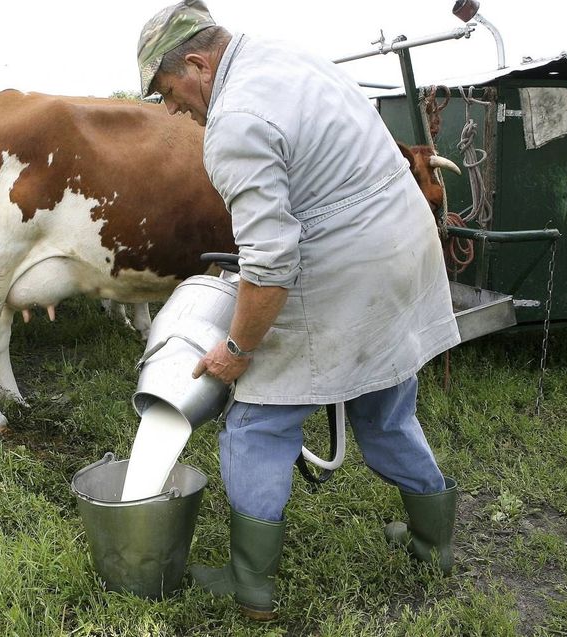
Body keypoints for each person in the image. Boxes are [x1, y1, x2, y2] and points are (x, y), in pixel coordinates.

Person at [137, 0, 462, 620]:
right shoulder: (283, 53)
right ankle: (433, 542)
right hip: (402, 245)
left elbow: (270, 261)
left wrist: (236, 351)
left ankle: (250, 584)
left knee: (257, 425)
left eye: (168, 89)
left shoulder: (233, 121)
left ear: (198, 64)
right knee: (387, 408)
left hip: (342, 267)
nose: (171, 108)